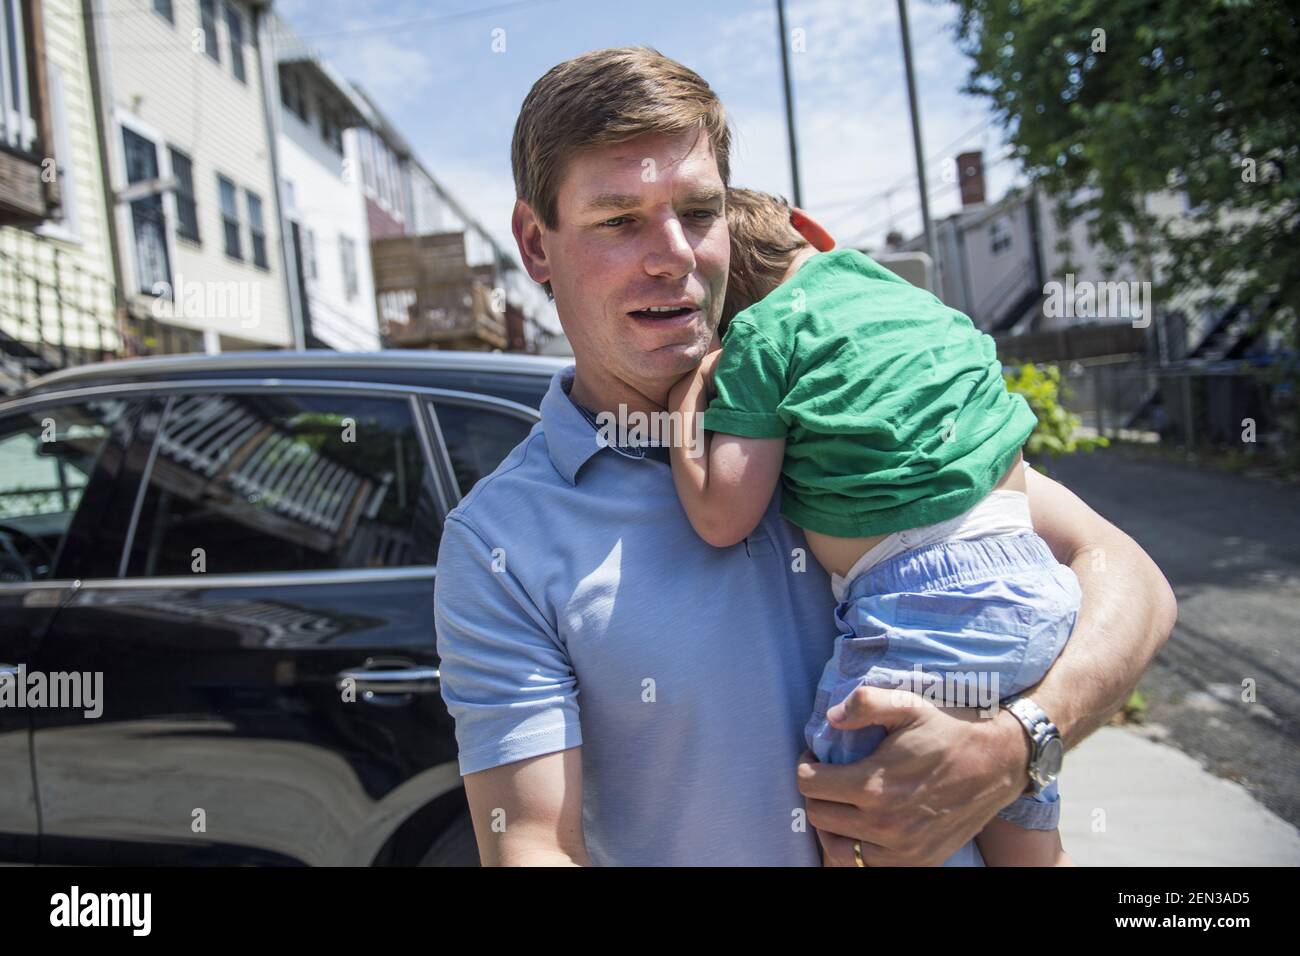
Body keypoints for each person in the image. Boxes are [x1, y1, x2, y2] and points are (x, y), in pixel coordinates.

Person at [433, 46, 1177, 866]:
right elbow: (535, 845)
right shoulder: (498, 545)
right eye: (619, 220)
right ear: (536, 246)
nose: (674, 254)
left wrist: (1020, 739)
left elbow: (1128, 575)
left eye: (700, 211)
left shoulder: (844, 402)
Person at [668, 187, 1079, 865]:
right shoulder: (904, 297)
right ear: (804, 233)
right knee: (1022, 823)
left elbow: (722, 515)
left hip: (922, 612)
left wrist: (689, 407)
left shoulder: (761, 334)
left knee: (853, 806)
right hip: (1033, 582)